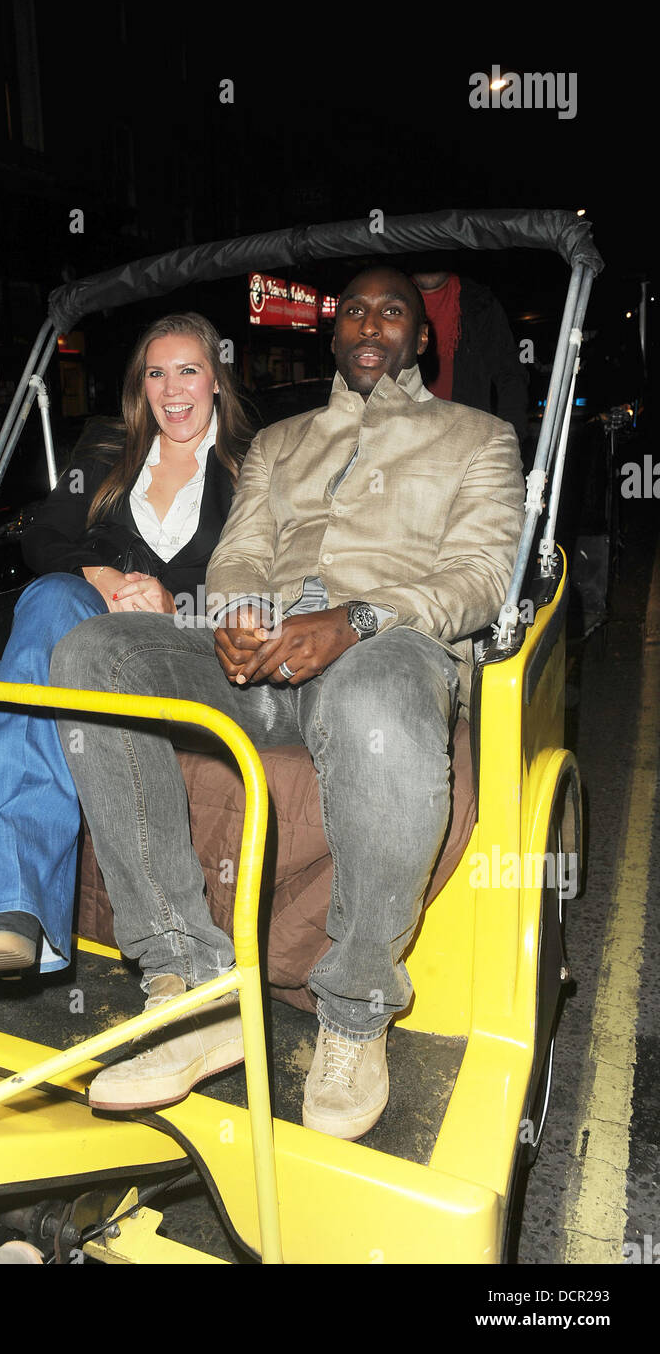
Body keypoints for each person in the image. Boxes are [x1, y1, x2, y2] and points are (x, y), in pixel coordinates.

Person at [49, 266, 526, 1142]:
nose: (370, 323)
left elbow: (482, 581)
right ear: (333, 334)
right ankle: (188, 985)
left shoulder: (481, 438)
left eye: (393, 311)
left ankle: (353, 1015)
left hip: (386, 645)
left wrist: (354, 621)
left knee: (381, 708)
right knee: (89, 652)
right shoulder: (280, 442)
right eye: (352, 311)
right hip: (261, 648)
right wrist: (235, 613)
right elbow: (240, 552)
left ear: (421, 337)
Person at [0, 313, 252, 1007]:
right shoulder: (107, 447)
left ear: (217, 378)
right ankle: (8, 911)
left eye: (189, 370)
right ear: (139, 385)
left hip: (181, 644)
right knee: (51, 600)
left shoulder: (253, 462)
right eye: (156, 372)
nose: (172, 388)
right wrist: (99, 576)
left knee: (29, 663)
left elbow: (265, 576)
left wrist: (173, 598)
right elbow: (40, 539)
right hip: (85, 617)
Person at [412, 270, 529, 441]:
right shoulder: (390, 300)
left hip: (466, 442)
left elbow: (510, 375)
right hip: (407, 440)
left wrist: (509, 438)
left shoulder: (479, 303)